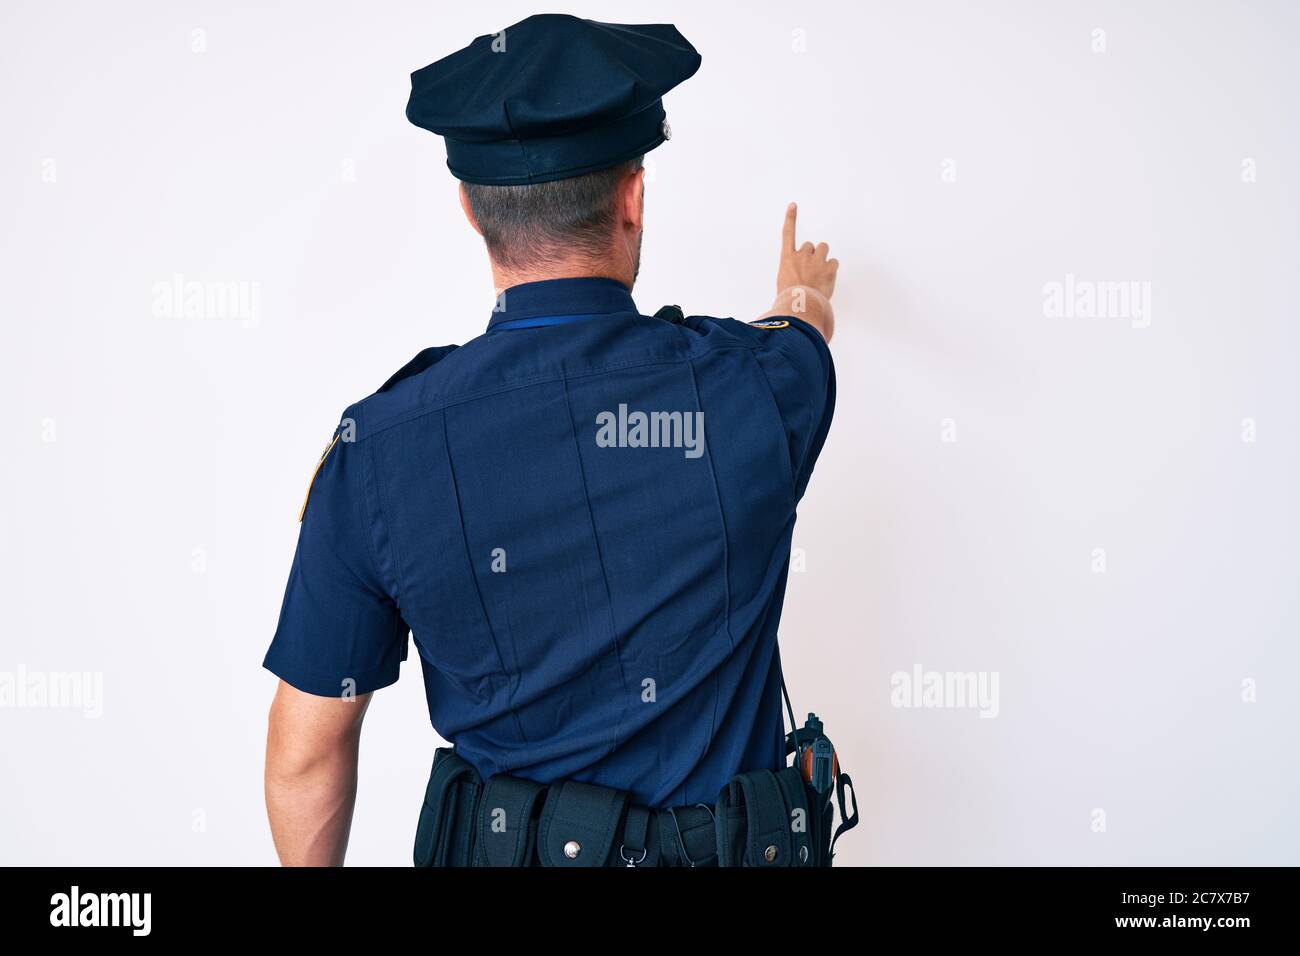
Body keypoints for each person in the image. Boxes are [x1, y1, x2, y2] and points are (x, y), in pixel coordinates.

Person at [263, 13, 841, 866]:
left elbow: (308, 750)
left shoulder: (378, 449)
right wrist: (803, 295)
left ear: (469, 208)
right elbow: (802, 332)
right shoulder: (760, 388)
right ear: (634, 198)